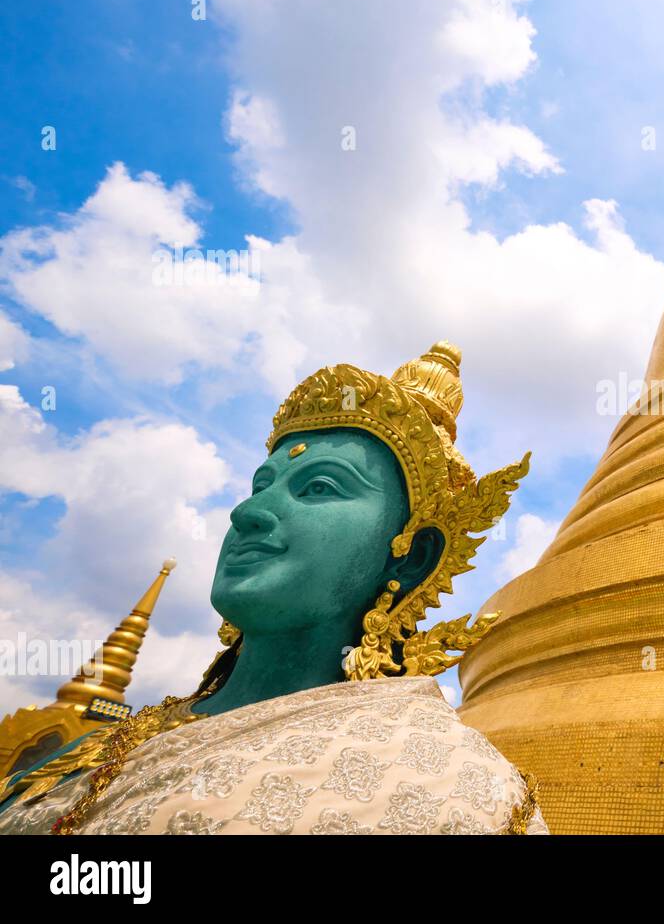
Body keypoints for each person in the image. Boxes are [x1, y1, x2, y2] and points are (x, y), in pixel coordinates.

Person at [0, 341, 546, 835]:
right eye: (261, 485)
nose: (250, 511)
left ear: (412, 555)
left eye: (319, 487)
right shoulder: (105, 745)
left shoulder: (455, 789)